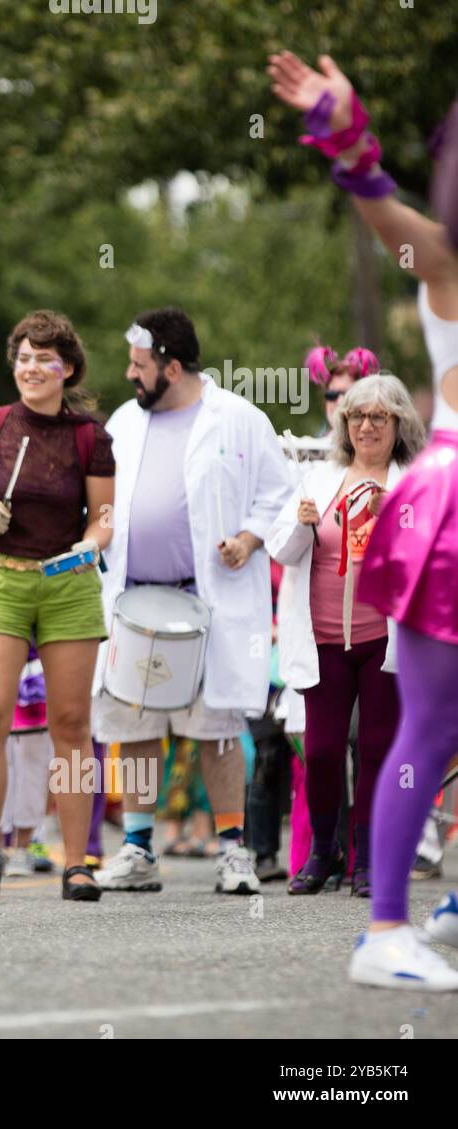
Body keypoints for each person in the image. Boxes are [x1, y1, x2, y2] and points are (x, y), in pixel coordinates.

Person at [269, 48, 458, 987]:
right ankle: (386, 925)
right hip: (450, 508)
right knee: (414, 731)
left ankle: (426, 910)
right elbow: (388, 211)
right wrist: (345, 141)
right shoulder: (445, 263)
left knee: (424, 732)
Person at [93, 307, 291, 896]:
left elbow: (279, 495)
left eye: (139, 365)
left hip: (207, 604)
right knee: (136, 721)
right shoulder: (125, 422)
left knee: (217, 726)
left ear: (172, 367)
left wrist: (250, 539)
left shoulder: (239, 419)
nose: (130, 374)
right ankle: (137, 849)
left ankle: (234, 852)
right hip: (134, 602)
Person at [0, 310, 114, 901]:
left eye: (45, 358)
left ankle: (77, 860)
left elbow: (104, 518)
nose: (32, 367)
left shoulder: (91, 436)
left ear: (67, 368)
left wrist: (93, 545)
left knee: (70, 724)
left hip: (66, 584)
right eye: (24, 357)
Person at [267, 374, 425, 896]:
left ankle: (369, 859)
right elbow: (283, 551)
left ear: (399, 422)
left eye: (379, 416)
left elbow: (433, 559)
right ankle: (325, 850)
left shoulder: (413, 482)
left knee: (378, 747)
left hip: (385, 639)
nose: (366, 426)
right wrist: (302, 523)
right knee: (324, 749)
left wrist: (396, 519)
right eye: (357, 416)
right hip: (325, 638)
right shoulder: (317, 478)